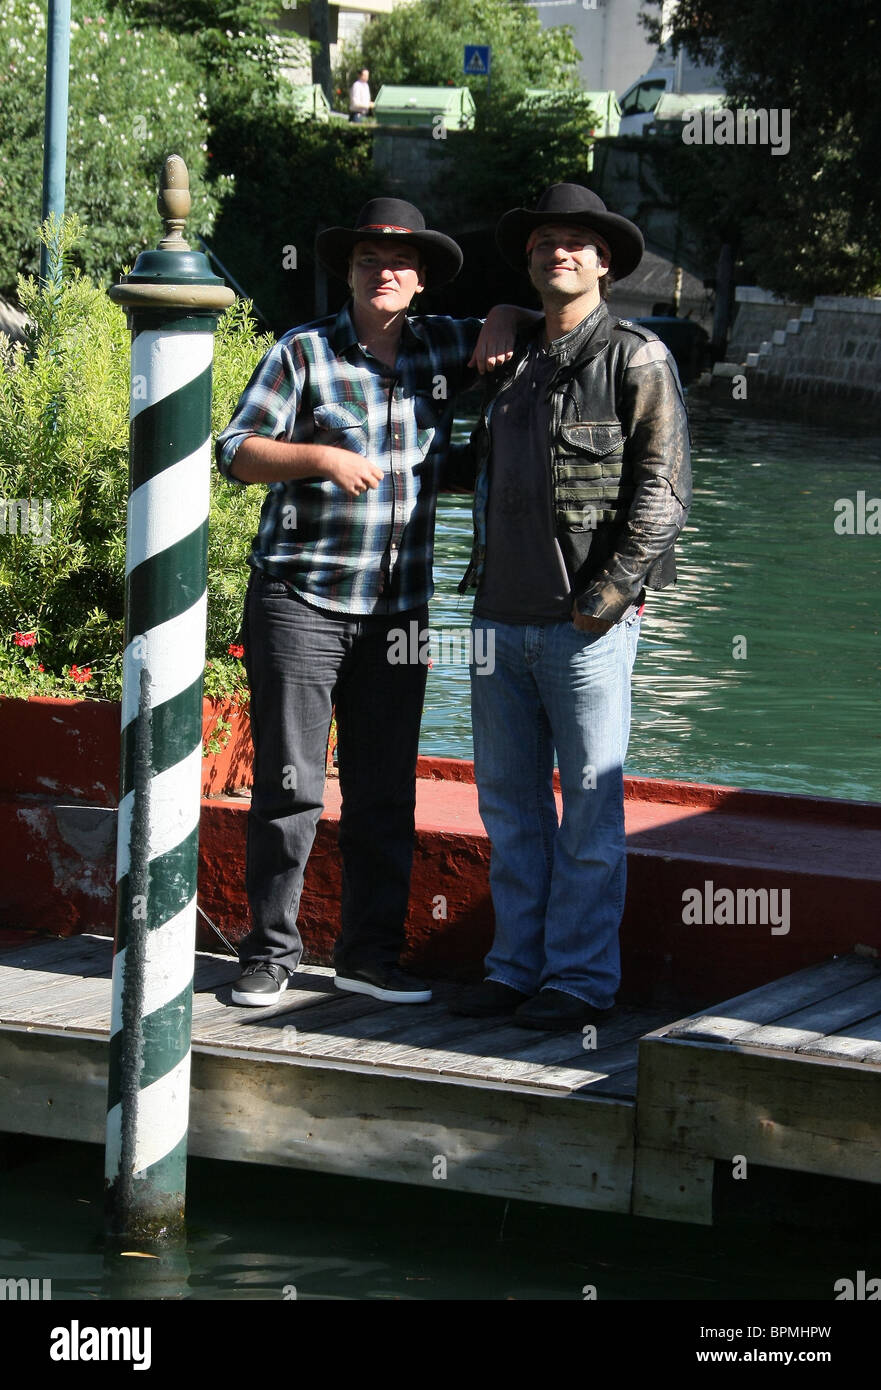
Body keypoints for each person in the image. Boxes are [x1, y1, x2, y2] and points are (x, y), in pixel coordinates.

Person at [216, 197, 529, 1008]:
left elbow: (550, 316)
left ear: (420, 279)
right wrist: (318, 456)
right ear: (349, 274)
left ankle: (368, 958)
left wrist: (501, 315)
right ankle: (269, 953)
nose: (382, 272)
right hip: (301, 599)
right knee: (290, 786)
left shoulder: (442, 346)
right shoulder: (302, 352)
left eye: (398, 262)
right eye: (367, 261)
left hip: (398, 612)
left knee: (384, 790)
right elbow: (236, 451)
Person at [450, 183, 692, 1031]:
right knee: (508, 808)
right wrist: (500, 313)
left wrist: (603, 601)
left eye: (577, 244)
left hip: (584, 630)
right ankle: (514, 966)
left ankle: (580, 982)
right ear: (528, 260)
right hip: (494, 621)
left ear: (605, 262)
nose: (561, 253)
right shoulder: (507, 356)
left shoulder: (636, 357)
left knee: (590, 808)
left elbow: (662, 496)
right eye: (545, 241)